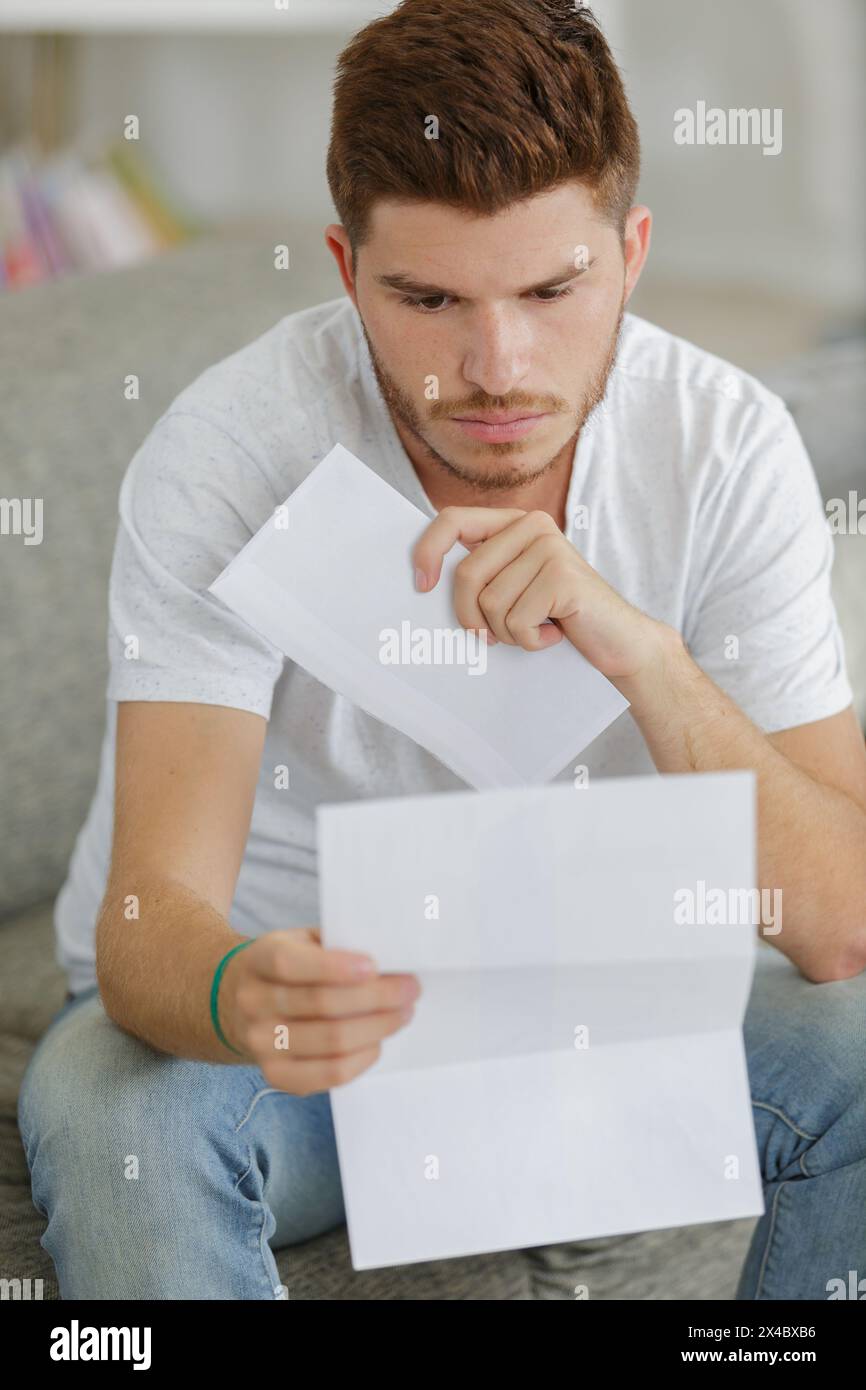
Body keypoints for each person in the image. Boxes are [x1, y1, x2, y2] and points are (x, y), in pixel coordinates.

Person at [18, 0, 866, 1300]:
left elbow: (840, 924)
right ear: (345, 267)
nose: (493, 366)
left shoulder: (722, 447)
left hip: (599, 998)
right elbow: (143, 917)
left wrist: (646, 660)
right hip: (295, 1047)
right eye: (425, 298)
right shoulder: (230, 454)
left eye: (550, 290)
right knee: (107, 1103)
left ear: (630, 253)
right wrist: (244, 986)